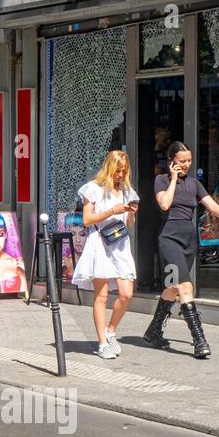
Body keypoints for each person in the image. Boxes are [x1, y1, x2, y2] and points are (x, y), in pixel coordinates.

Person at [143, 141, 219, 360]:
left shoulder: (194, 184)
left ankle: (153, 331)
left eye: (189, 161)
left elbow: (210, 205)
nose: (186, 165)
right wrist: (174, 179)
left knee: (172, 288)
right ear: (171, 161)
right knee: (185, 286)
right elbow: (164, 204)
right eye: (182, 161)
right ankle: (199, 340)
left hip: (189, 242)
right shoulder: (161, 180)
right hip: (169, 240)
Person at [72, 150, 138, 359]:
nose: (120, 175)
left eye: (124, 171)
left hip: (120, 243)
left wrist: (130, 214)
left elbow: (130, 224)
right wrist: (112, 211)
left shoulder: (127, 191)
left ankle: (111, 331)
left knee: (126, 293)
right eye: (117, 170)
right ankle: (102, 342)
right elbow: (87, 220)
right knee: (100, 295)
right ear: (109, 168)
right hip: (100, 243)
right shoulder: (93, 189)